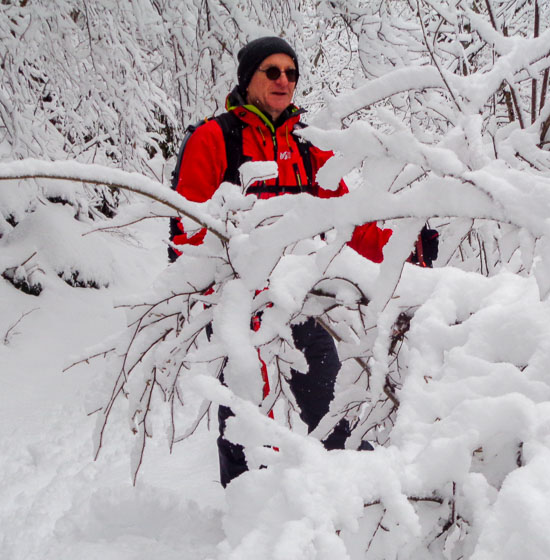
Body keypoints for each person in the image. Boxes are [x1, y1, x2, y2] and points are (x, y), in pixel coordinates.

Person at [170, 36, 410, 487]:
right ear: (249, 79)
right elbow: (188, 231)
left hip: (300, 294)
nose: (285, 81)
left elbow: (348, 219)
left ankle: (352, 485)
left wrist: (405, 245)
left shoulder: (306, 145)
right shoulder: (214, 138)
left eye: (292, 73)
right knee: (244, 405)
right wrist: (228, 287)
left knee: (328, 394)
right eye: (273, 71)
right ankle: (245, 499)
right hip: (241, 302)